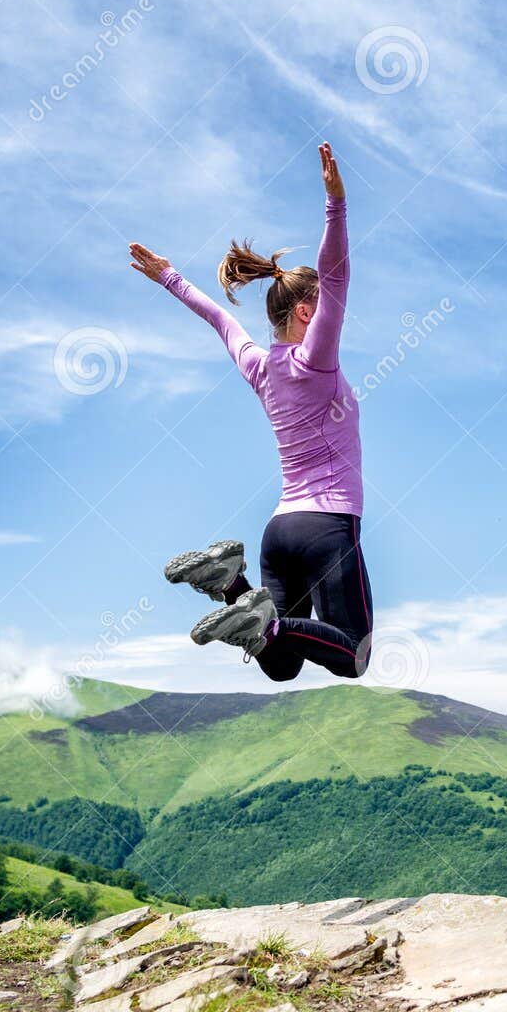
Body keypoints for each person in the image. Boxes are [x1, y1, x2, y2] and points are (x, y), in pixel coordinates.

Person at [128, 143, 371, 682]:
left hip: (279, 532)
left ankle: (231, 585)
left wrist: (170, 277)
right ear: (307, 312)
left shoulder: (260, 367)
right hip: (327, 525)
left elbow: (219, 318)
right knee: (353, 654)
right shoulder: (317, 361)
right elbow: (336, 277)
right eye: (320, 307)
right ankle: (262, 615)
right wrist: (336, 204)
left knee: (281, 665)